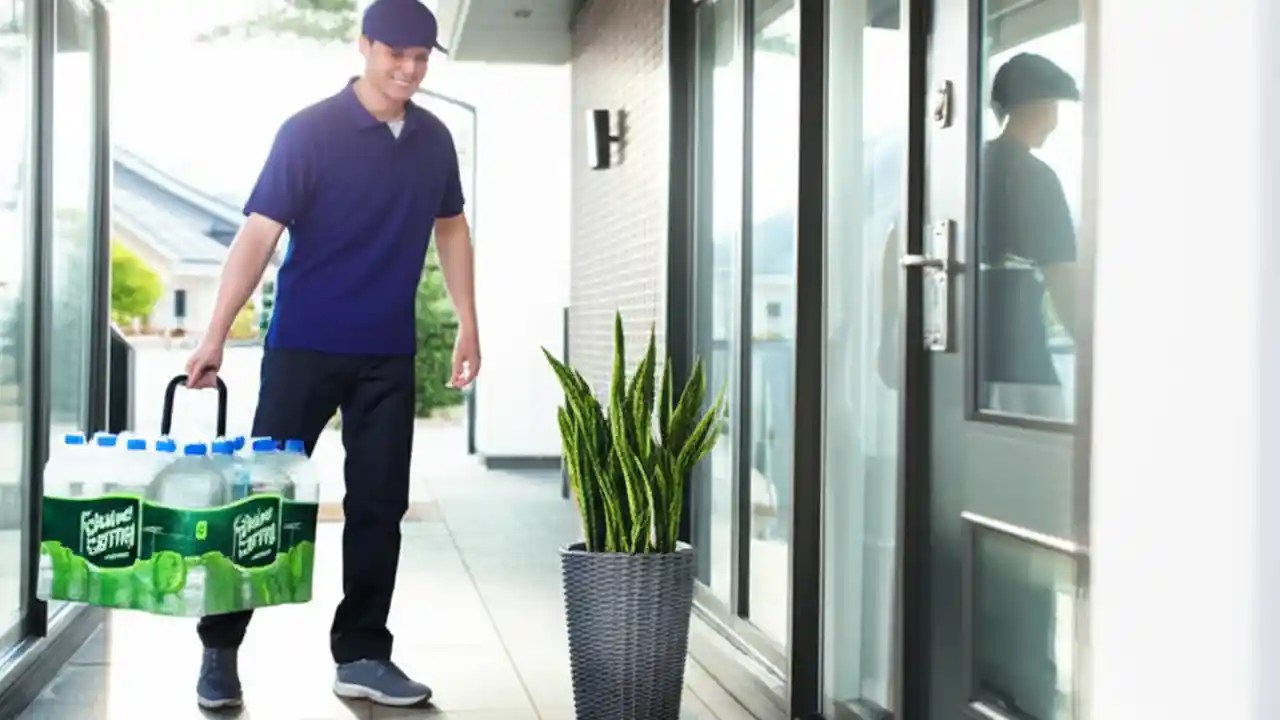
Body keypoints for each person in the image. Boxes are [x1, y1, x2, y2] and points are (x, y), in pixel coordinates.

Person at [182, 0, 479, 709]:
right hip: (303, 347)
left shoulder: (435, 139)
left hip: (387, 352)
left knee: (379, 506)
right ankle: (220, 649)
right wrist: (215, 333)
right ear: (364, 46)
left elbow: (453, 227)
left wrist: (469, 321)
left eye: (420, 58)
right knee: (263, 500)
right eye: (395, 55)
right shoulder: (309, 132)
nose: (408, 69)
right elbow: (256, 237)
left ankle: (365, 654)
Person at [978, 52, 1079, 419]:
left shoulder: (964, 169)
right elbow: (1063, 278)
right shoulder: (1036, 178)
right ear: (1041, 107)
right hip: (1021, 367)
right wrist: (1093, 350)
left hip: (966, 370)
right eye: (1054, 107)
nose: (1054, 122)